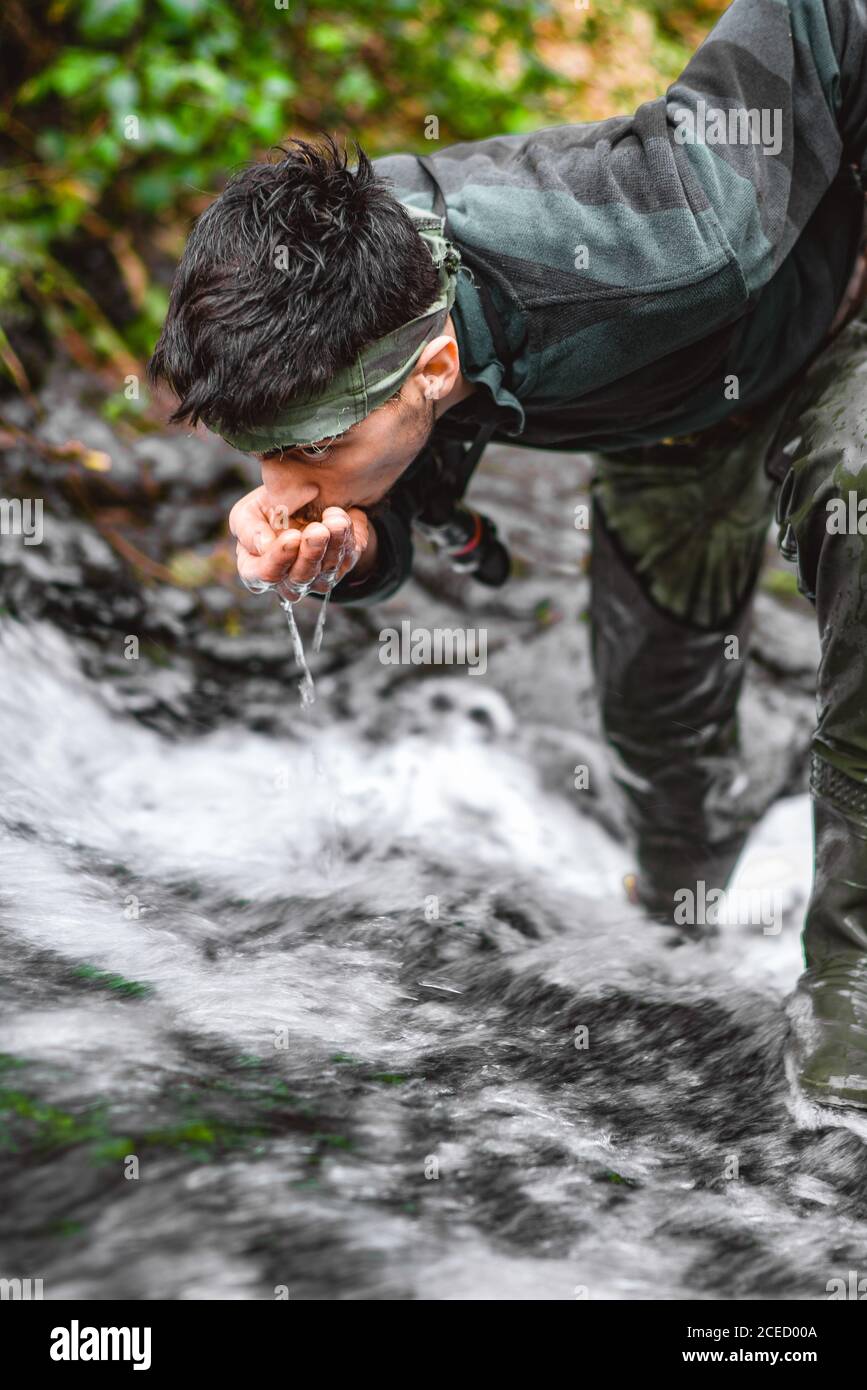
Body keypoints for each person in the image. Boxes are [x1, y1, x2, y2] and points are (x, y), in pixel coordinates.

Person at [149, 0, 867, 1110]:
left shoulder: (682, 227)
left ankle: (851, 976)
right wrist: (350, 541)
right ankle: (685, 930)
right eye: (266, 459)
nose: (280, 492)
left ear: (436, 368)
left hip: (840, 308)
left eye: (313, 454)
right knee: (654, 720)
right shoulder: (340, 289)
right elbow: (400, 477)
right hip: (670, 422)